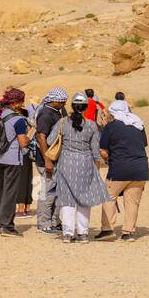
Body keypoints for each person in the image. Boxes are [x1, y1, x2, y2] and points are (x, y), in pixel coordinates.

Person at [50, 91, 110, 242]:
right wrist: (97, 168)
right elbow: (95, 152)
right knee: (84, 199)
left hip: (65, 165)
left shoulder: (62, 123)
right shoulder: (91, 126)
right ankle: (83, 233)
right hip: (86, 165)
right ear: (84, 108)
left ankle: (68, 233)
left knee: (67, 200)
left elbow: (51, 140)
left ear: (72, 106)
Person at [97, 99, 149, 241]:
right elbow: (143, 144)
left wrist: (108, 160)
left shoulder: (112, 126)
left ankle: (107, 229)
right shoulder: (138, 124)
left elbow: (103, 149)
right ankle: (128, 233)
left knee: (108, 197)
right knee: (132, 201)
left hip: (120, 167)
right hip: (141, 168)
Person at [0, 87, 31, 236]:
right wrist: (30, 136)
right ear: (17, 102)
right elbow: (23, 142)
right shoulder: (18, 119)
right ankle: (7, 226)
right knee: (9, 192)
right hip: (12, 159)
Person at [32, 88, 67, 236]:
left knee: (57, 193)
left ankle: (54, 221)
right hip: (47, 160)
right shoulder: (46, 114)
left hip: (57, 160)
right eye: (62, 101)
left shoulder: (57, 111)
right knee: (47, 192)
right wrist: (47, 160)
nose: (64, 103)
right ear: (54, 101)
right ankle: (43, 223)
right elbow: (41, 138)